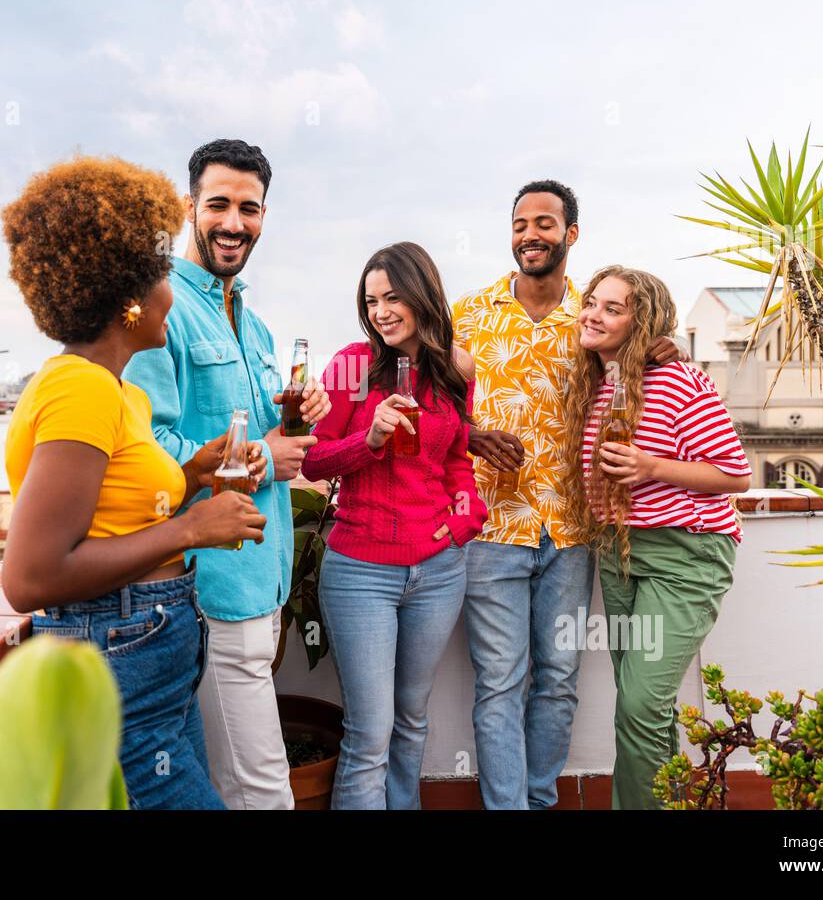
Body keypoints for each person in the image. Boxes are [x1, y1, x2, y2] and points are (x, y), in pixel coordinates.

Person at [0, 155, 268, 810]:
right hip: (120, 658)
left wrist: (189, 474)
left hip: (153, 655)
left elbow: (116, 506)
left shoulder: (116, 393)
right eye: (157, 274)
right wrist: (191, 526)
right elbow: (29, 578)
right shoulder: (80, 389)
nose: (170, 287)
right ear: (127, 297)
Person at [452, 180, 684, 809]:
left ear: (571, 234)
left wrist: (665, 345)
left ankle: (538, 799)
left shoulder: (591, 318)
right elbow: (434, 400)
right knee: (499, 683)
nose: (531, 234)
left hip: (576, 534)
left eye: (545, 224)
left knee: (557, 682)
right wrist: (470, 434)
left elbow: (647, 359)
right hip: (491, 531)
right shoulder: (469, 313)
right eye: (520, 223)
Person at [124, 139, 331, 810]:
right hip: (212, 590)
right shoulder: (161, 311)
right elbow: (149, 450)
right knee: (265, 792)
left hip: (263, 582)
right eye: (219, 204)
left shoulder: (259, 325)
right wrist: (271, 457)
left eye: (250, 207)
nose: (234, 222)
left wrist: (300, 414)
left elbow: (271, 426)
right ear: (190, 207)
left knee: (233, 785)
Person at [302, 241, 488, 810]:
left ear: (422, 295)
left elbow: (457, 461)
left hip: (437, 570)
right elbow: (314, 460)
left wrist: (462, 524)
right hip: (360, 570)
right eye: (371, 300)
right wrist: (372, 438)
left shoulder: (456, 367)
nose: (380, 311)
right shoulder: (352, 364)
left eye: (392, 297)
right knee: (371, 729)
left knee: (412, 718)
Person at [564, 265, 751, 809]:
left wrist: (651, 467)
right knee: (649, 706)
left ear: (640, 321)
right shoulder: (601, 384)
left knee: (641, 705)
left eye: (613, 308)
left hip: (684, 555)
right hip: (619, 552)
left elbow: (736, 474)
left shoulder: (677, 380)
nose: (594, 314)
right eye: (592, 303)